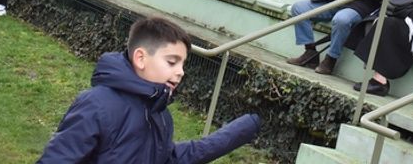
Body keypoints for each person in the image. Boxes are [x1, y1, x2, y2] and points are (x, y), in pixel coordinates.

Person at [35, 16, 260, 164]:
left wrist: (240, 131)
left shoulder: (160, 115)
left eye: (183, 64)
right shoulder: (97, 104)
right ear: (141, 58)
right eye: (172, 62)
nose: (181, 72)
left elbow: (169, 158)